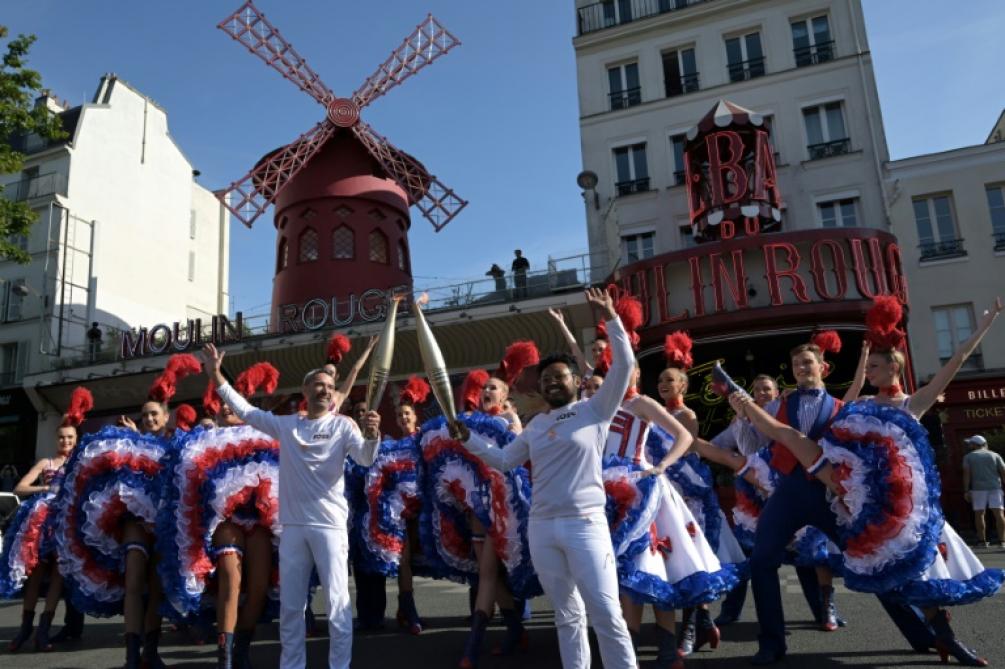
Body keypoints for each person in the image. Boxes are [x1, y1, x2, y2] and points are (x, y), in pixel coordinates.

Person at [730, 295, 1004, 666]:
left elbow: (945, 368)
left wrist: (984, 326)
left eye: (806, 362)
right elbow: (763, 438)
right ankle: (771, 643)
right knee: (762, 559)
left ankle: (924, 633)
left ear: (823, 368)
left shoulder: (846, 409)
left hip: (838, 495)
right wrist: (743, 412)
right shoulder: (791, 405)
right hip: (793, 487)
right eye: (795, 364)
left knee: (877, 558)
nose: (800, 368)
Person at [453, 287, 637, 669]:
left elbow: (623, 366)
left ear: (575, 380)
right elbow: (504, 460)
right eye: (546, 378)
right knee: (567, 616)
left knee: (605, 612)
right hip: (542, 527)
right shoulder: (536, 426)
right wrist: (468, 439)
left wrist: (611, 319)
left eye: (560, 376)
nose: (552, 382)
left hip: (585, 524)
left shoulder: (595, 410)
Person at [202, 342, 382, 669]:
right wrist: (216, 375)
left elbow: (365, 458)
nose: (326, 391)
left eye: (330, 387)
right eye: (319, 385)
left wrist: (372, 435)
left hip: (329, 527)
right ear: (305, 390)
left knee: (339, 605)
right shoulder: (287, 425)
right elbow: (246, 411)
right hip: (293, 528)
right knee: (291, 608)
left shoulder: (344, 426)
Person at [159, 365, 282, 669]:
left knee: (258, 587)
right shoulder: (202, 440)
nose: (226, 406)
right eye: (222, 401)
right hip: (224, 521)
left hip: (260, 519)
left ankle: (242, 645)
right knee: (231, 579)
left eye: (232, 401)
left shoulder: (264, 434)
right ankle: (224, 657)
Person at [2, 387, 91, 653]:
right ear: (56, 439)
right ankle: (25, 628)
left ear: (76, 440)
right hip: (42, 520)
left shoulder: (80, 462)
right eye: (62, 438)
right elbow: (19, 488)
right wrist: (45, 489)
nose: (65, 442)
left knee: (58, 576)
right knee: (36, 573)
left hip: (66, 521)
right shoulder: (46, 463)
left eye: (70, 438)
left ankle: (43, 629)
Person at [962, 434, 1005, 548]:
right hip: (995, 487)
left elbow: (967, 474)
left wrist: (966, 490)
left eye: (971, 443)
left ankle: (982, 541)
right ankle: (1002, 541)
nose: (969, 445)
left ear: (975, 445)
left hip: (978, 488)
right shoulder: (995, 455)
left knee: (979, 514)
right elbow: (1003, 471)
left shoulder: (969, 457)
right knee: (999, 513)